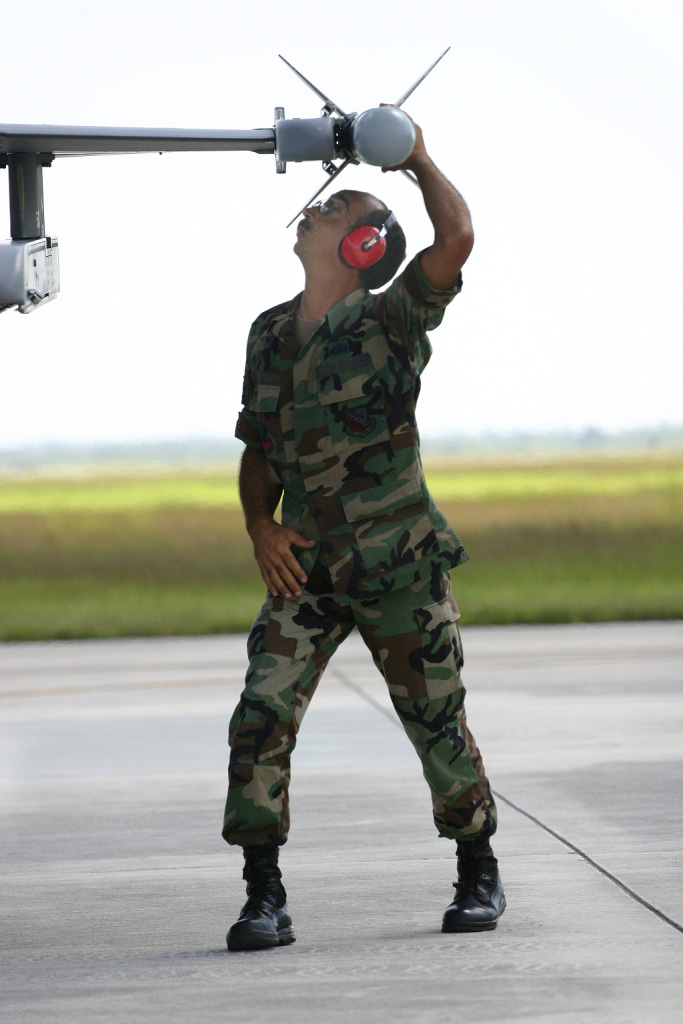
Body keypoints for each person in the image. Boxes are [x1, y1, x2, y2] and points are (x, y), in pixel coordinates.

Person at [222, 118, 505, 951]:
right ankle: (263, 894)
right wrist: (259, 525)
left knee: (435, 721)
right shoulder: (269, 333)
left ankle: (477, 868)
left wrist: (414, 156)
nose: (315, 207)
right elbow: (258, 446)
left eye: (336, 205)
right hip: (305, 569)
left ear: (363, 245)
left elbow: (457, 236)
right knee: (259, 715)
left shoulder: (392, 320)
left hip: (397, 564)